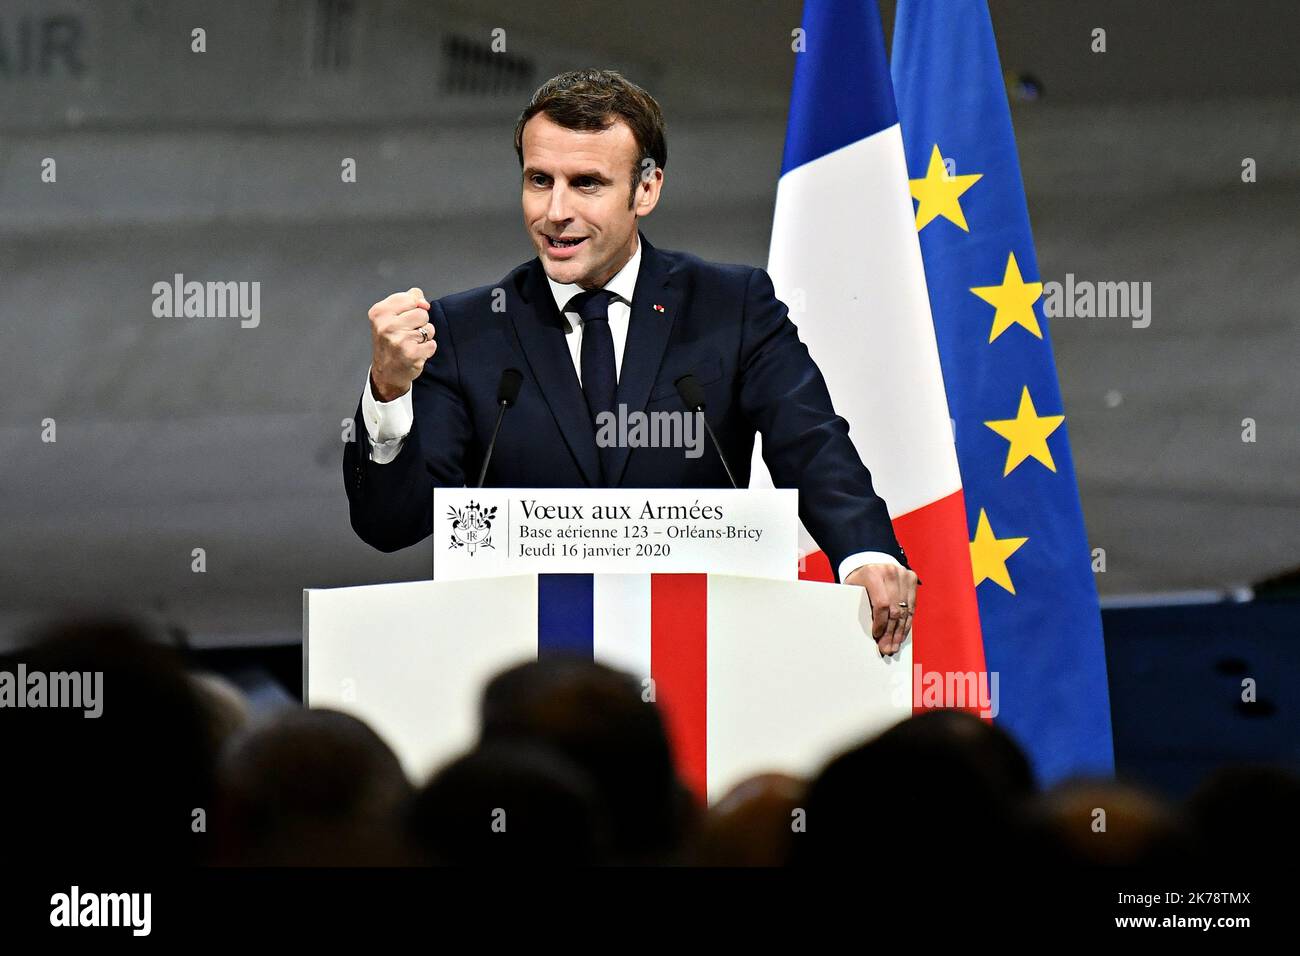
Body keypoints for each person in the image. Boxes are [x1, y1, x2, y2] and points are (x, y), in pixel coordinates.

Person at [344, 68, 917, 652]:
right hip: (525, 662)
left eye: (586, 183)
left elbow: (812, 445)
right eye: (540, 180)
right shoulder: (465, 331)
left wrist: (862, 552)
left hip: (702, 653)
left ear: (645, 190)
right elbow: (392, 526)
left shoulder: (731, 306)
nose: (555, 211)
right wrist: (389, 393)